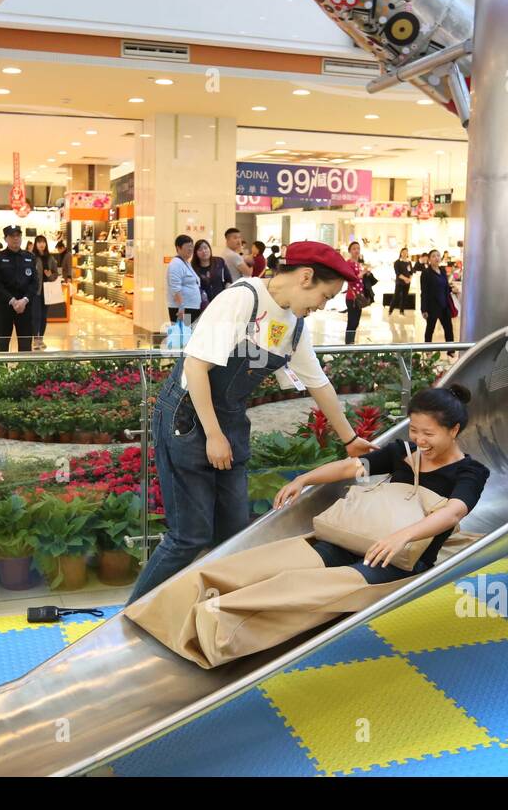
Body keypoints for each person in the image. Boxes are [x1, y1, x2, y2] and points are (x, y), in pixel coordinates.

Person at [129, 241, 377, 601]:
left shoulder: (294, 325)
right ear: (306, 277)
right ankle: (129, 619)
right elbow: (196, 367)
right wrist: (213, 435)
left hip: (229, 419)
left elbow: (318, 383)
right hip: (187, 415)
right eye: (325, 296)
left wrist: (350, 439)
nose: (322, 307)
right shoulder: (242, 299)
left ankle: (220, 612)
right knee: (190, 535)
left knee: (234, 535)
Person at [273, 384, 489, 582]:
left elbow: (453, 513)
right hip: (354, 538)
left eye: (428, 433)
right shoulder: (400, 452)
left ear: (454, 430)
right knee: (280, 567)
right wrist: (303, 479)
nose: (419, 440)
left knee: (319, 585)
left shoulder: (470, 472)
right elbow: (351, 467)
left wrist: (401, 537)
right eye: (414, 430)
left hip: (399, 559)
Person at [0, 225, 40, 352]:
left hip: (25, 308)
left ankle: (24, 372)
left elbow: (35, 283)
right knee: (2, 345)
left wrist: (24, 300)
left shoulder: (30, 257)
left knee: (26, 346)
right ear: (6, 239)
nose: (16, 239)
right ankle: (1, 372)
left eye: (18, 236)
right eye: (12, 236)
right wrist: (13, 300)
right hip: (4, 307)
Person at [166, 234, 202, 332]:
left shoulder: (186, 262)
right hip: (183, 310)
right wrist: (181, 308)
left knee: (189, 336)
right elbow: (175, 288)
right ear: (178, 248)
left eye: (192, 247)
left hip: (191, 307)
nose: (190, 249)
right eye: (187, 247)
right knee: (183, 338)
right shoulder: (176, 264)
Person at [421, 249, 454, 344]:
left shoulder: (442, 270)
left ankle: (451, 350)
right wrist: (424, 309)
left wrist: (452, 289)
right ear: (429, 259)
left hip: (444, 306)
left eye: (438, 255)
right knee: (430, 329)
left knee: (448, 328)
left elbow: (445, 287)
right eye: (434, 256)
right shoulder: (426, 273)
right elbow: (424, 292)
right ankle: (427, 349)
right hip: (432, 307)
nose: (436, 258)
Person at [31, 234, 58, 351]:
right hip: (35, 291)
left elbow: (56, 274)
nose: (41, 244)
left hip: (48, 291)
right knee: (35, 316)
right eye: (39, 242)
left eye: (43, 242)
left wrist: (50, 275)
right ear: (35, 244)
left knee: (43, 317)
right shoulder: (32, 257)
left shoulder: (50, 258)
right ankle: (35, 339)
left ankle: (41, 338)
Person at [192, 238, 233, 309]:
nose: (204, 251)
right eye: (200, 250)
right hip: (203, 306)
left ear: (210, 249)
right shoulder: (193, 268)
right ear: (196, 253)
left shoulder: (219, 261)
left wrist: (227, 295)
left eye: (205, 248)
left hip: (221, 303)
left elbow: (228, 280)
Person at [344, 240, 366, 346]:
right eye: (354, 249)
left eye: (358, 248)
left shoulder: (358, 264)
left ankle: (351, 343)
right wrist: (361, 274)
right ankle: (348, 344)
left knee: (356, 322)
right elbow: (350, 279)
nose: (356, 250)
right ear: (350, 251)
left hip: (359, 297)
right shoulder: (348, 263)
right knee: (351, 322)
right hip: (351, 297)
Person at [391, 247, 413, 316]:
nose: (405, 253)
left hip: (407, 282)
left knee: (404, 297)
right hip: (399, 282)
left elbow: (411, 272)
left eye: (406, 252)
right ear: (401, 253)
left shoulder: (408, 262)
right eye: (403, 252)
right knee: (396, 296)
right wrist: (405, 279)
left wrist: (409, 279)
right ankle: (390, 310)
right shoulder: (397, 262)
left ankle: (402, 311)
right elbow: (398, 273)